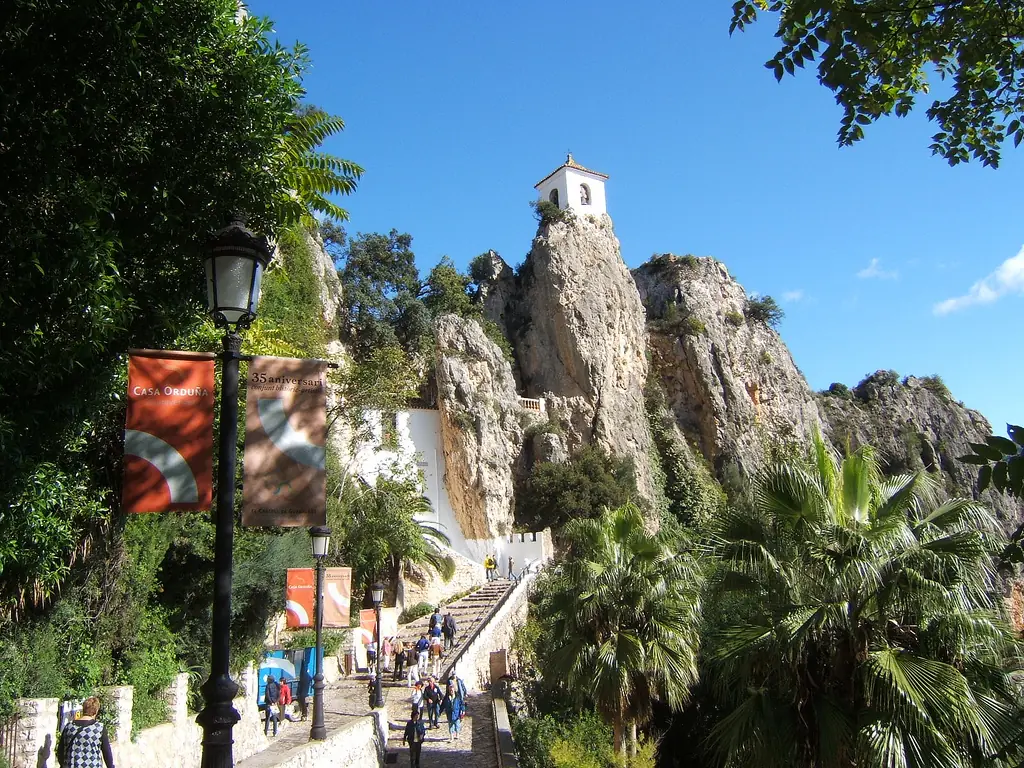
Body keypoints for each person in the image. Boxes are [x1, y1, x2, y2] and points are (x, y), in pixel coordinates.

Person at [57, 696, 115, 768]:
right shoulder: (99, 728)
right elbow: (107, 753)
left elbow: (60, 751)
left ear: (83, 709)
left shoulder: (69, 726)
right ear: (96, 711)